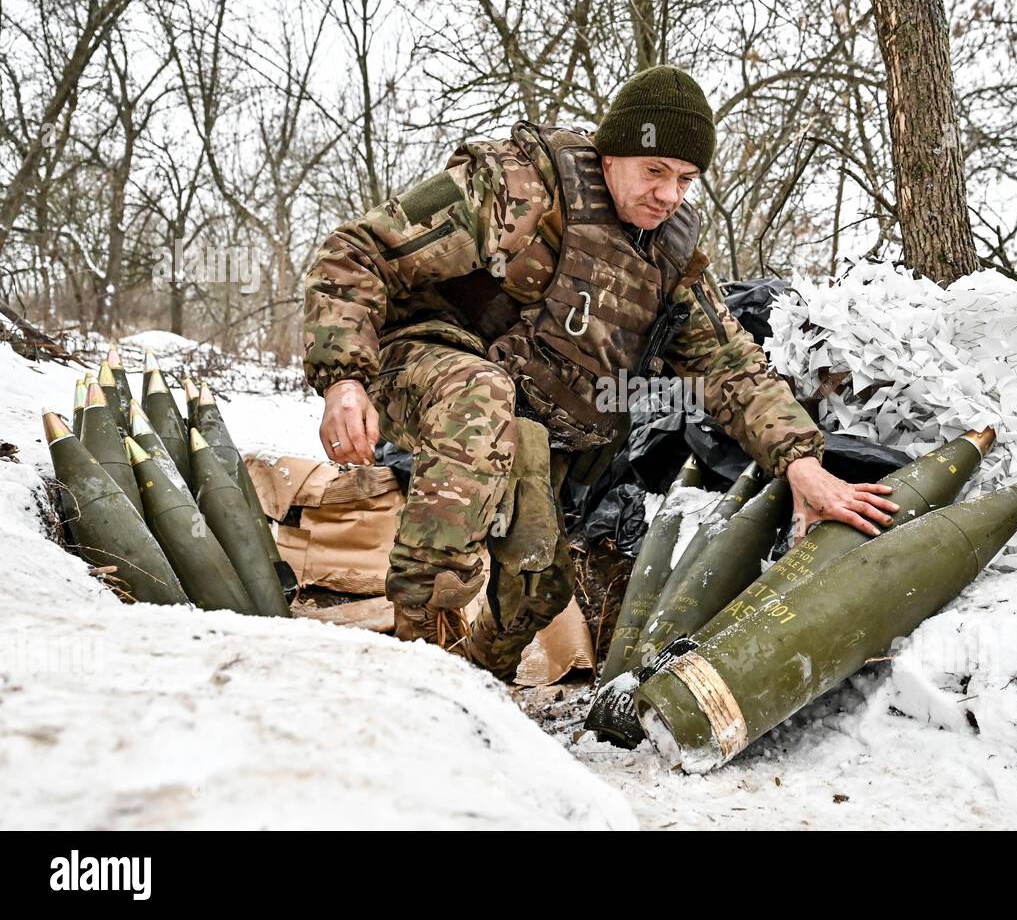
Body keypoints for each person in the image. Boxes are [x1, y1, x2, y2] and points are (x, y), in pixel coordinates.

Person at [302, 65, 898, 679]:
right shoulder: (519, 188)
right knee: (479, 395)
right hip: (425, 365)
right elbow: (357, 252)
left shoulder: (669, 256)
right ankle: (413, 662)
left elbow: (731, 365)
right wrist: (343, 377)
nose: (669, 194)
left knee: (539, 584)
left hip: (523, 422)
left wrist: (802, 463)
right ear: (611, 156)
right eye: (655, 171)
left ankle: (478, 681)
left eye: (686, 179)